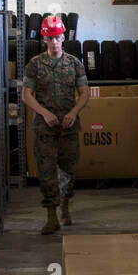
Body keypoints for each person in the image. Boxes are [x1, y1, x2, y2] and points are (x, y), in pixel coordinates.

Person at [21, 14, 89, 234]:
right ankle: (51, 216)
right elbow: (26, 95)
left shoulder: (74, 63)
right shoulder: (34, 65)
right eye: (49, 39)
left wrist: (73, 112)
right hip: (44, 128)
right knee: (47, 170)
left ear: (63, 38)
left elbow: (84, 93)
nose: (53, 42)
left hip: (68, 126)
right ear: (44, 40)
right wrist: (43, 113)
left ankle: (65, 206)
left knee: (68, 169)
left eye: (57, 38)